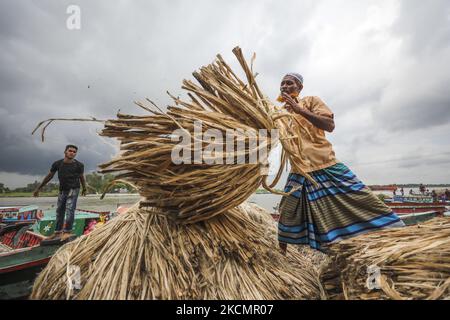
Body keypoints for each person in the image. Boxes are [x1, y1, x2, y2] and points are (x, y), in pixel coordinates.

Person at [276, 73, 405, 253]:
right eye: (282, 83)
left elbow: (329, 125)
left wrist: (299, 110)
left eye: (289, 83)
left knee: (364, 200)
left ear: (300, 88)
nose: (284, 86)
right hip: (300, 171)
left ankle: (397, 232)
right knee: (286, 212)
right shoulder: (280, 114)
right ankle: (280, 257)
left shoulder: (311, 101)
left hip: (325, 164)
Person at [34, 145, 86, 241]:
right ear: (65, 152)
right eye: (70, 151)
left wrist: (84, 188)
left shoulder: (79, 165)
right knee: (59, 210)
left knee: (70, 209)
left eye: (74, 152)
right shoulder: (57, 164)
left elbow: (81, 177)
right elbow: (49, 176)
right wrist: (39, 188)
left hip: (74, 189)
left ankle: (67, 232)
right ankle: (57, 232)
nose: (72, 153)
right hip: (62, 190)